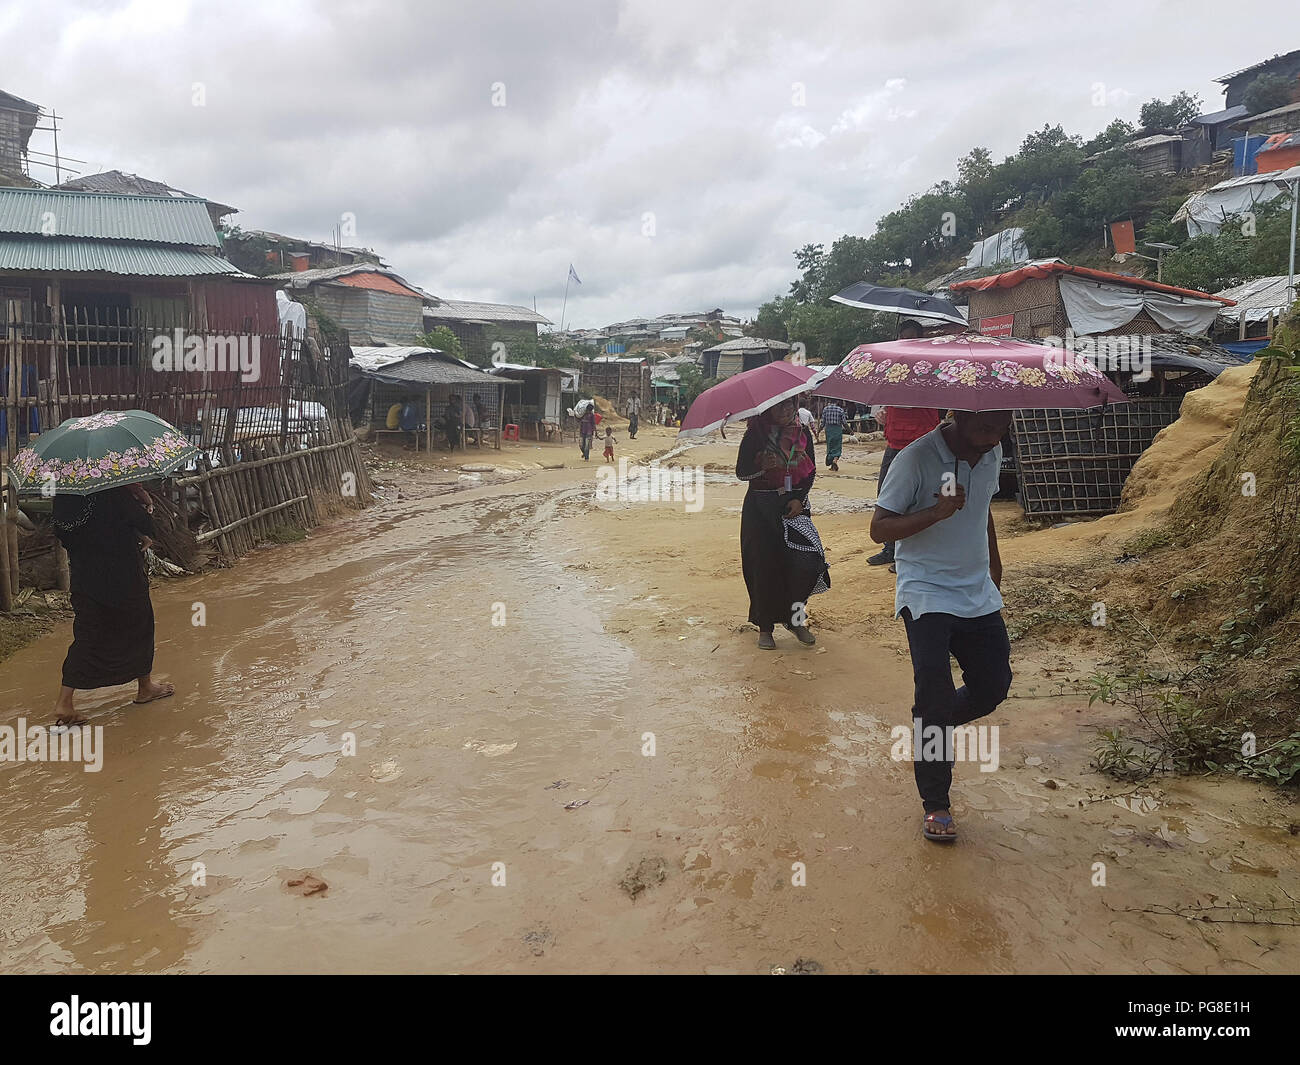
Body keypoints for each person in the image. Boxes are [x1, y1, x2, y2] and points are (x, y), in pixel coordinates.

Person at [869, 410, 1013, 843]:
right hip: (925, 590)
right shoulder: (914, 459)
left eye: (1002, 428)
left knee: (993, 686)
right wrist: (936, 512)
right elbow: (879, 530)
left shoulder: (992, 451)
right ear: (962, 415)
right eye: (986, 427)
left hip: (976, 589)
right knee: (933, 696)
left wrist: (994, 569)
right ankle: (937, 802)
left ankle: (932, 727)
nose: (993, 437)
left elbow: (984, 511)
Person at [51, 483, 174, 726]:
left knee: (87, 634)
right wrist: (145, 503)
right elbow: (143, 523)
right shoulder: (112, 489)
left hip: (85, 578)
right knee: (139, 625)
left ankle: (65, 702)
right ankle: (145, 687)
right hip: (123, 575)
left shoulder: (65, 494)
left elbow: (63, 534)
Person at [736, 397, 821, 650]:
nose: (785, 410)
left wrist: (798, 499)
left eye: (790, 405)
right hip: (760, 510)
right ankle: (765, 628)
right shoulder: (755, 434)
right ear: (768, 408)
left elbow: (812, 470)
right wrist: (760, 467)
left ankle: (796, 622)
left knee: (803, 564)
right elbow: (741, 473)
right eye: (779, 406)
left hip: (793, 508)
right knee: (763, 567)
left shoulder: (802, 432)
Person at [869, 406, 944, 568]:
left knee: (918, 501)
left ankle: (910, 554)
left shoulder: (931, 384)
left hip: (922, 443)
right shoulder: (893, 382)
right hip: (895, 442)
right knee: (887, 498)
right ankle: (891, 549)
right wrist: (882, 411)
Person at [821, 399, 846, 472]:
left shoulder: (825, 409)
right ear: (837, 402)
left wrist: (819, 430)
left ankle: (831, 463)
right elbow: (844, 422)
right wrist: (851, 431)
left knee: (830, 446)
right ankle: (835, 460)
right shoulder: (840, 410)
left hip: (829, 430)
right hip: (837, 429)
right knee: (837, 446)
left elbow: (823, 422)